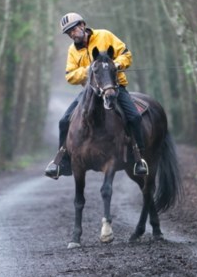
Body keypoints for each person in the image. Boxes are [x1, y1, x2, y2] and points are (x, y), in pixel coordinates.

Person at [45, 12, 149, 179]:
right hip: (90, 92)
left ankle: (139, 158)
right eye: (68, 33)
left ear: (82, 25)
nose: (72, 34)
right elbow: (70, 75)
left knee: (135, 117)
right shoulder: (72, 50)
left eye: (73, 29)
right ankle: (62, 161)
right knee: (64, 121)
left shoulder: (104, 35)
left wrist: (115, 64)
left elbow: (126, 55)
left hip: (114, 87)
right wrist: (89, 70)